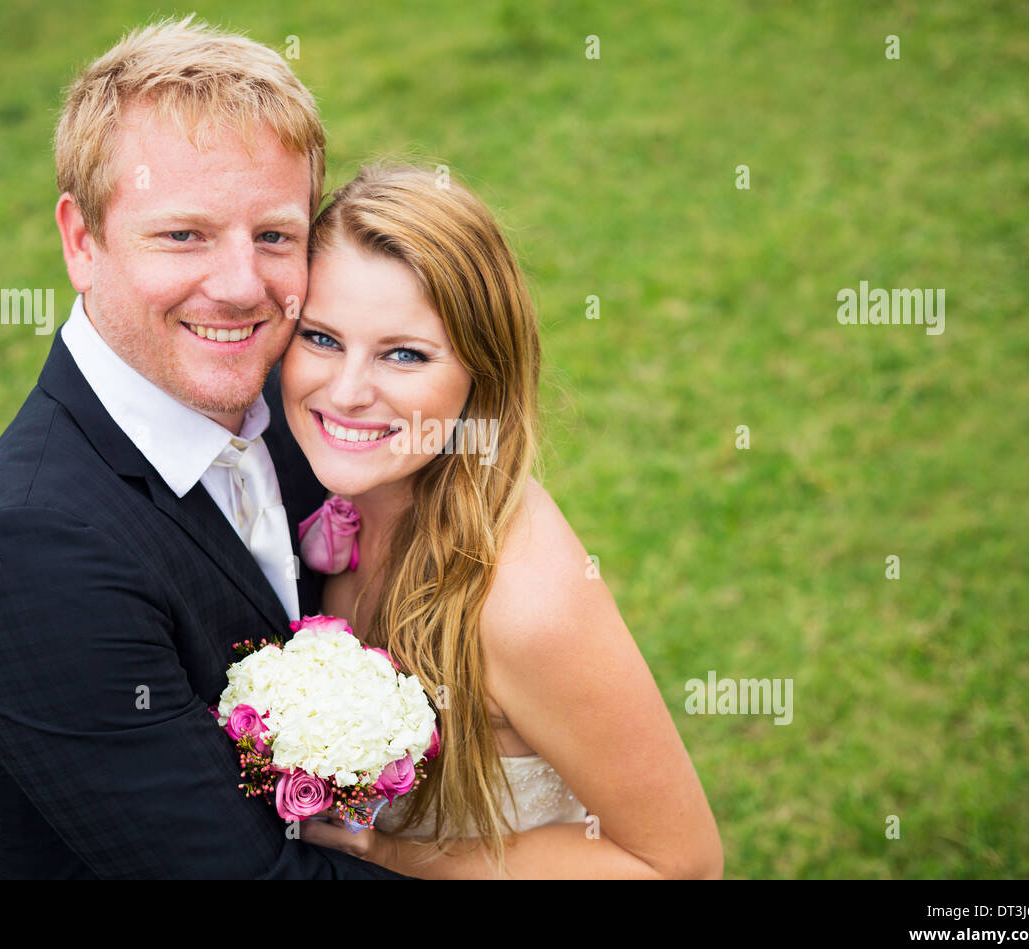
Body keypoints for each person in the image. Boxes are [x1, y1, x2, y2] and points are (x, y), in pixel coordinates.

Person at [0, 18, 405, 879]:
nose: (239, 286)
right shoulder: (26, 550)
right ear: (82, 240)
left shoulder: (307, 402)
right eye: (183, 235)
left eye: (274, 235)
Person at [285, 165, 724, 878]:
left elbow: (680, 863)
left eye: (404, 354)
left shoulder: (524, 603)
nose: (347, 390)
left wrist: (396, 854)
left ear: (480, 375)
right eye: (322, 338)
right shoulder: (303, 494)